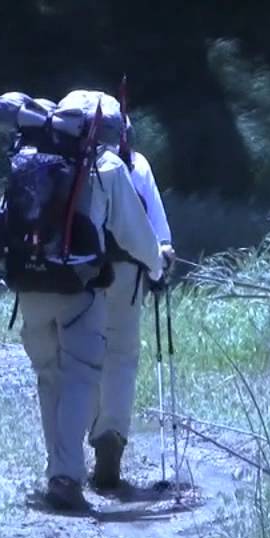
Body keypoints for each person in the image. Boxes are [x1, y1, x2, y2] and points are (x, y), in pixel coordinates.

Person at [0, 90, 165, 512]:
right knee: (82, 374)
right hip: (78, 291)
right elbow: (137, 235)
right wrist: (156, 268)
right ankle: (66, 476)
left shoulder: (26, 157)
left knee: (49, 377)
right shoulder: (106, 167)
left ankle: (60, 469)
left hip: (28, 285)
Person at [88, 99, 176, 494]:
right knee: (120, 357)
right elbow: (159, 232)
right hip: (126, 276)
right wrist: (159, 264)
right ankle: (110, 440)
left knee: (80, 356)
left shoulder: (72, 164)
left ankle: (75, 452)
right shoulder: (135, 165)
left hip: (78, 274)